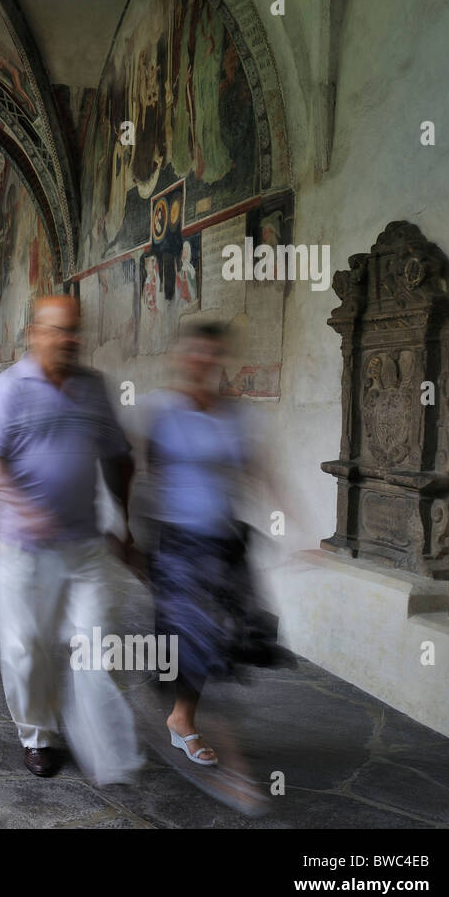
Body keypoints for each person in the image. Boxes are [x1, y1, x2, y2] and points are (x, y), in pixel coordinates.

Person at [0, 295, 144, 785]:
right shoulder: (7, 390)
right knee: (27, 649)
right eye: (58, 330)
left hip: (85, 544)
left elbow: (118, 456)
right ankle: (38, 736)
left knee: (97, 642)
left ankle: (101, 741)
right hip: (24, 546)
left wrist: (124, 524)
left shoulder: (93, 388)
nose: (68, 340)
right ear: (34, 333)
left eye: (75, 331)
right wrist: (7, 513)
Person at [142, 322, 289, 770]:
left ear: (219, 359)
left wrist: (296, 524)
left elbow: (258, 471)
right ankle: (182, 719)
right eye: (195, 352)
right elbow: (145, 470)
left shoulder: (236, 416)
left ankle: (180, 714)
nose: (203, 360)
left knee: (216, 635)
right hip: (178, 541)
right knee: (190, 630)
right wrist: (131, 534)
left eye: (212, 353)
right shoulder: (160, 410)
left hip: (223, 539)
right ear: (181, 356)